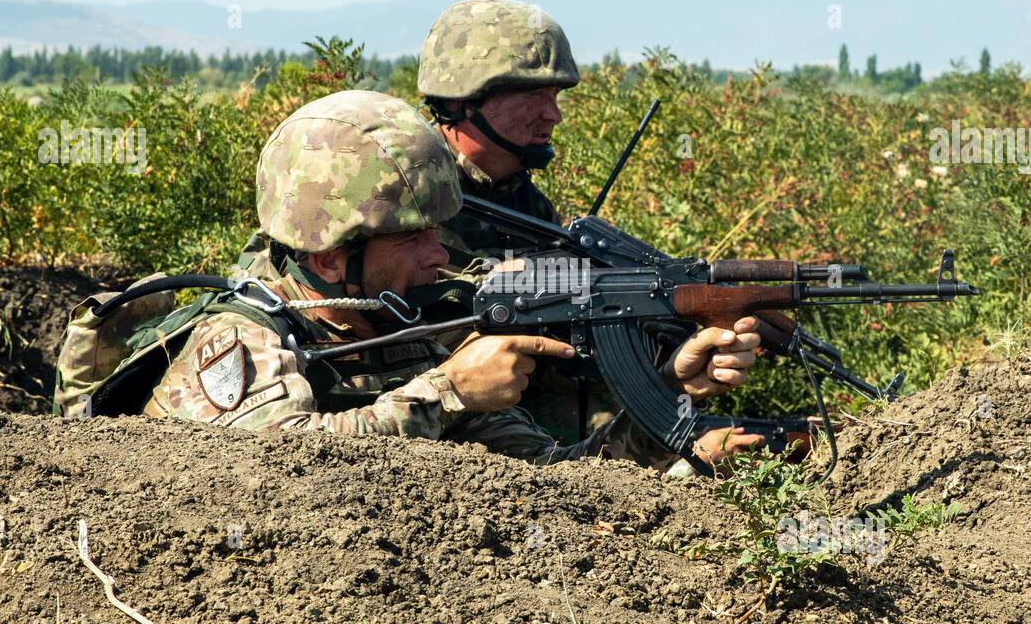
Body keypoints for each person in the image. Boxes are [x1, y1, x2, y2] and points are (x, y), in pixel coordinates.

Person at [141, 90, 765, 469]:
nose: (437, 257)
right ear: (331, 258)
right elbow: (271, 472)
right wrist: (445, 393)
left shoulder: (407, 335)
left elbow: (560, 486)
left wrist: (667, 395)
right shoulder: (239, 339)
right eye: (411, 237)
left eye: (439, 231)